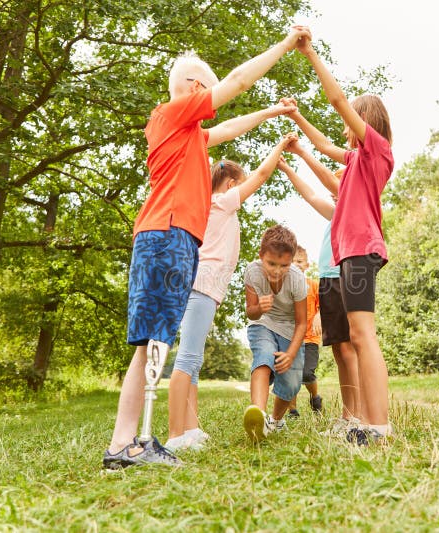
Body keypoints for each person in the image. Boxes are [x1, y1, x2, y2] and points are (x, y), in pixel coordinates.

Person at [103, 26, 312, 470]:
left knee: (149, 344)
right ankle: (133, 443)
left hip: (169, 237)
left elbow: (230, 125)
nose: (214, 95)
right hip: (167, 235)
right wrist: (285, 44)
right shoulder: (171, 113)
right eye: (209, 90)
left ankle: (126, 444)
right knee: (152, 344)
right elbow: (237, 81)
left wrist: (274, 111)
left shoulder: (188, 135)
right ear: (196, 88)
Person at [290, 37, 394, 445]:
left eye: (353, 120)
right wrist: (298, 123)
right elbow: (323, 146)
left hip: (363, 249)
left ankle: (378, 424)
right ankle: (365, 420)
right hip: (349, 252)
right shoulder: (354, 160)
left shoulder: (377, 150)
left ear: (365, 121)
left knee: (363, 335)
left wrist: (310, 54)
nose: (345, 128)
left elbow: (338, 102)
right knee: (357, 331)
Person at [164, 134, 296, 453]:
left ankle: (191, 428)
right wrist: (279, 145)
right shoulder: (221, 202)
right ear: (229, 184)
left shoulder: (210, 204)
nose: (243, 191)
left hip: (203, 286)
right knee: (189, 357)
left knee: (194, 360)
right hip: (203, 285)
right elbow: (261, 176)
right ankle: (174, 434)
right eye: (240, 184)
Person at [276, 151, 363, 435]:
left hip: (342, 277)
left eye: (338, 188)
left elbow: (314, 194)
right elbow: (311, 195)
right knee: (339, 349)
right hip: (328, 280)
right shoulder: (336, 214)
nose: (335, 195)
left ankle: (356, 414)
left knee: (348, 348)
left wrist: (297, 157)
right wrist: (288, 169)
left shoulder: (351, 209)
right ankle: (348, 414)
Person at [242, 225, 308, 442]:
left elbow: (301, 323)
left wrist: (290, 353)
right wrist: (259, 307)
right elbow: (251, 313)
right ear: (261, 256)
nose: (277, 270)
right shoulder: (252, 271)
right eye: (271, 263)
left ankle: (276, 421)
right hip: (263, 323)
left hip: (290, 329)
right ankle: (258, 415)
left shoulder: (297, 279)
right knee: (264, 357)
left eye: (284, 265)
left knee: (290, 382)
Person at [286, 245, 323, 419]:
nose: (296, 265)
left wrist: (318, 316)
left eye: (300, 261)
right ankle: (292, 411)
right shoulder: (286, 287)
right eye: (293, 262)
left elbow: (323, 306)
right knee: (291, 374)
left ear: (307, 265)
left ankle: (315, 397)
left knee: (307, 373)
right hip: (291, 339)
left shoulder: (314, 285)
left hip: (310, 338)